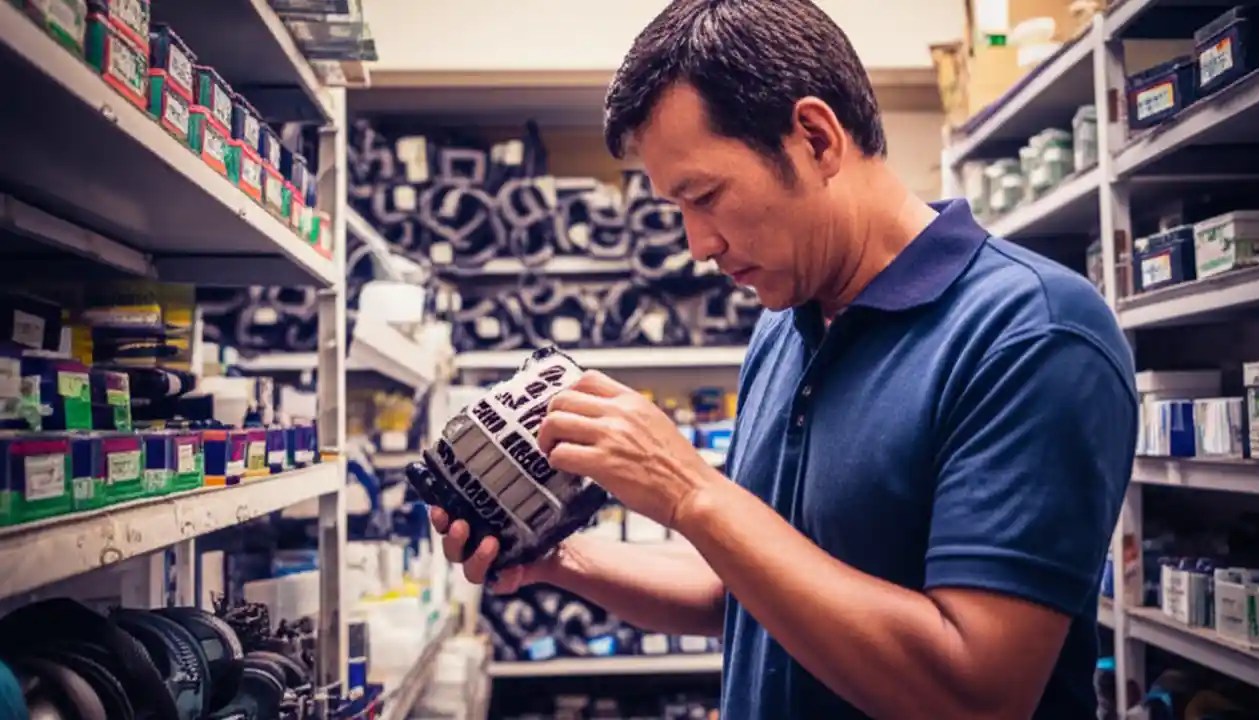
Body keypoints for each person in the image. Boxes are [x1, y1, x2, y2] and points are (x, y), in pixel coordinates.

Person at [430, 0, 1137, 717]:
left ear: (816, 138)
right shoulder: (786, 325)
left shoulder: (1032, 334)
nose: (696, 245)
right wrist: (559, 558)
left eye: (703, 196)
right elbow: (742, 591)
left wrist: (690, 492)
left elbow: (974, 694)